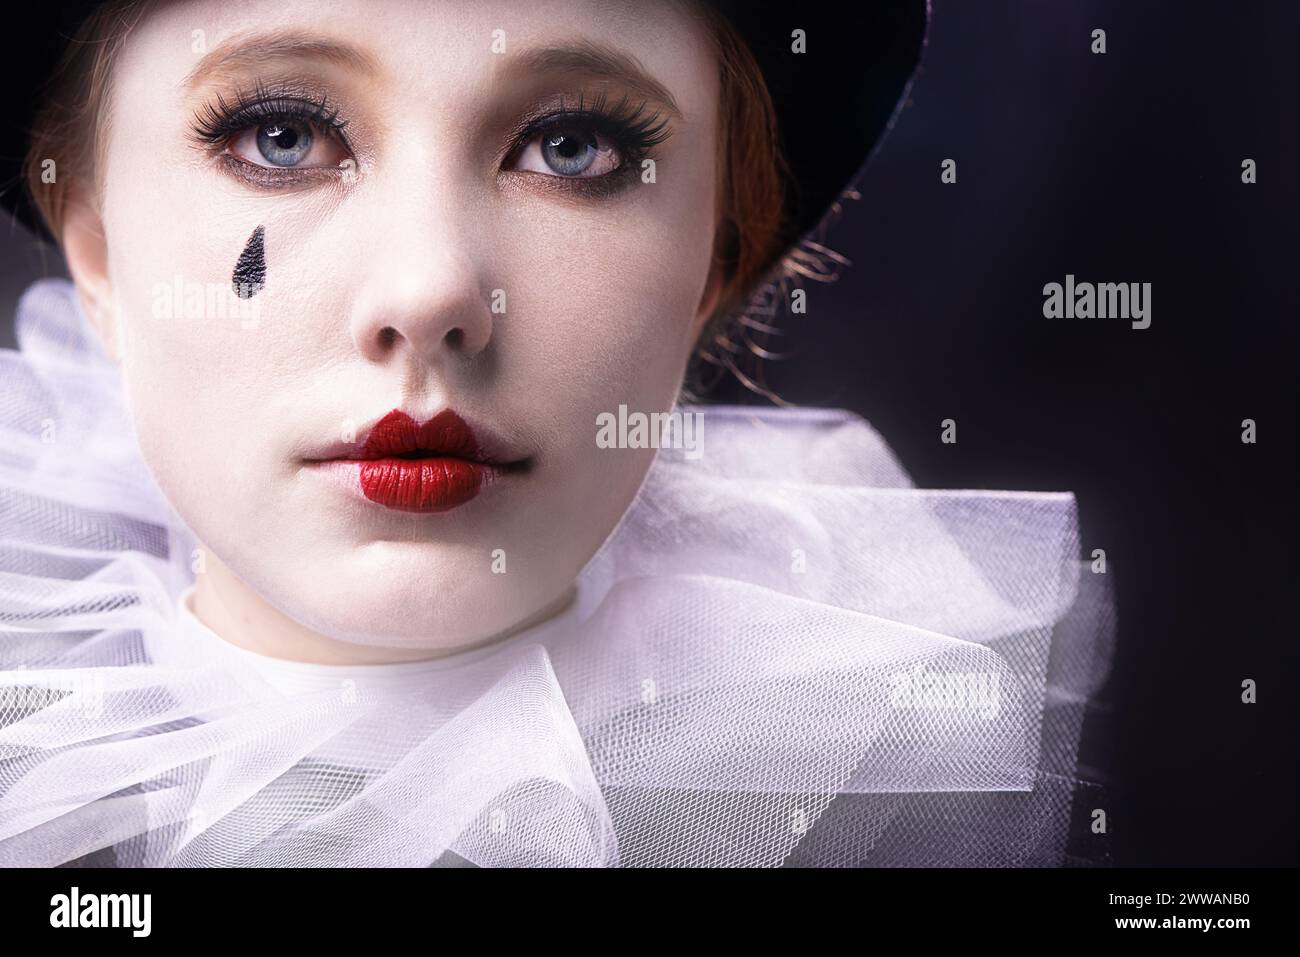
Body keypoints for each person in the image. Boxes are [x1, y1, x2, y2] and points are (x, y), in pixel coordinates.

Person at [0, 0, 1112, 867]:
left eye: (570, 147)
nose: (430, 289)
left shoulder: (862, 787)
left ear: (714, 263)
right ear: (97, 252)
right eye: (280, 136)